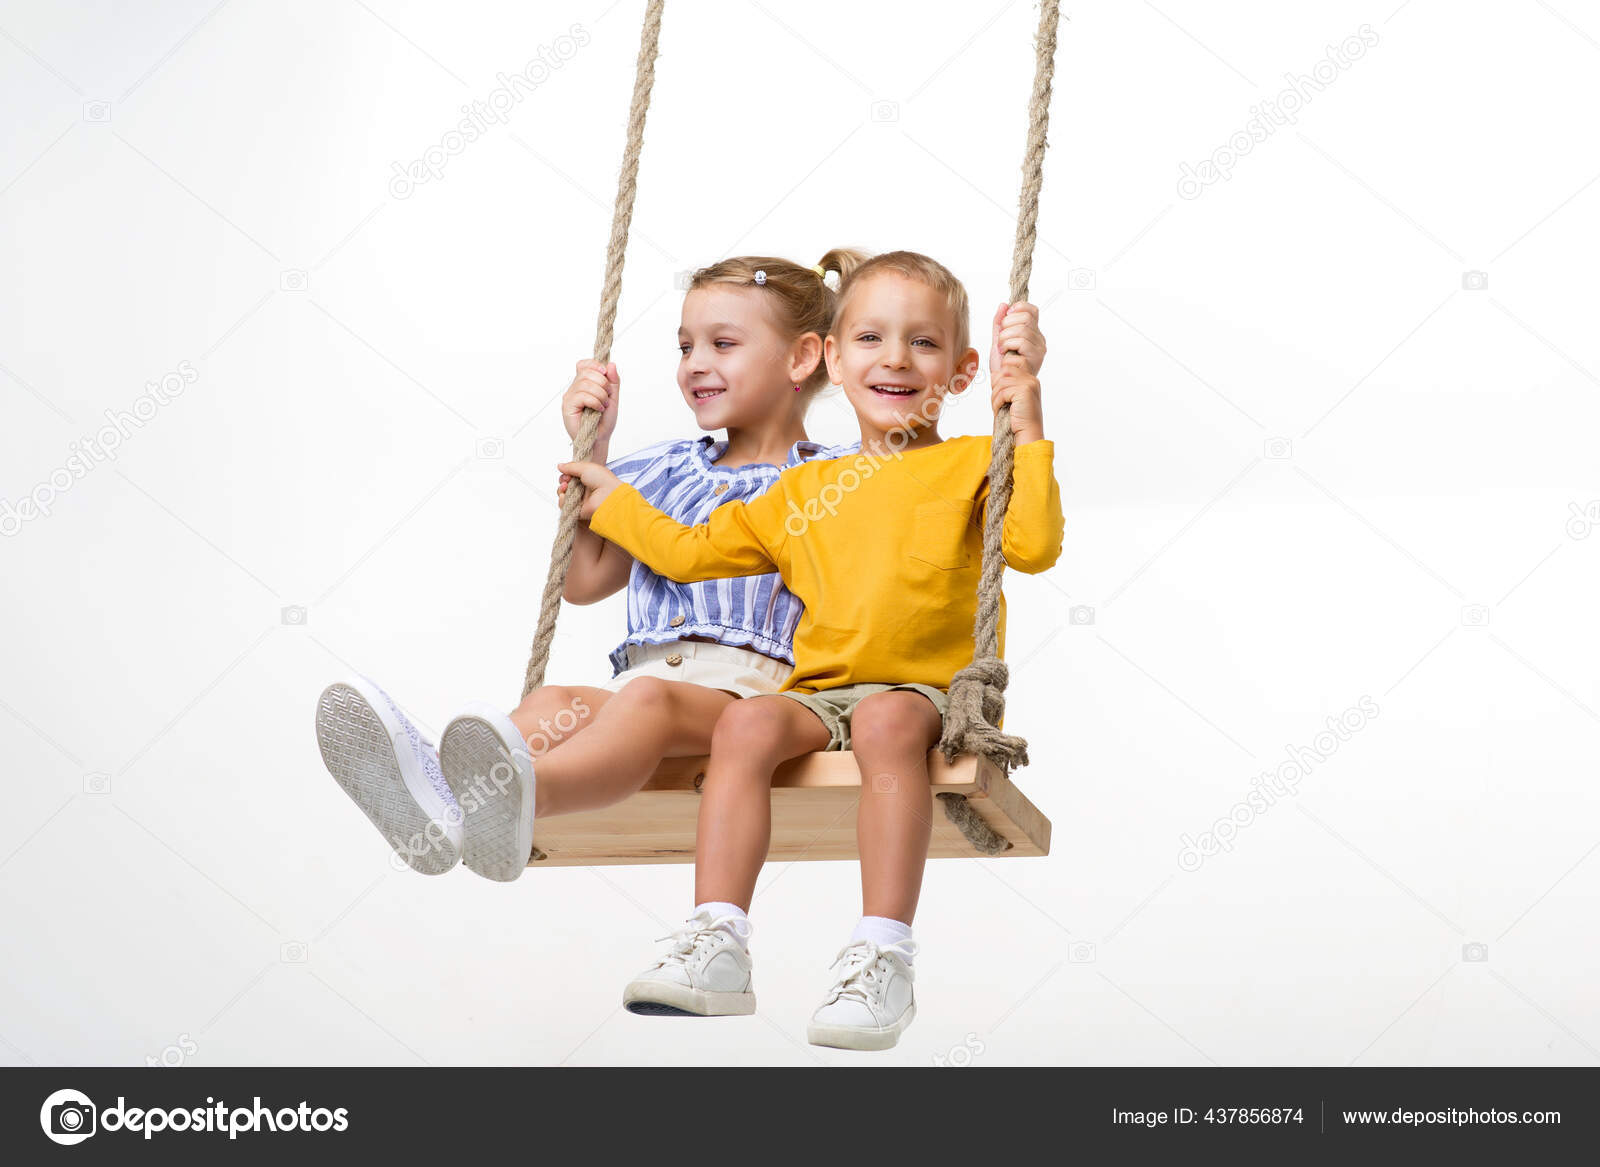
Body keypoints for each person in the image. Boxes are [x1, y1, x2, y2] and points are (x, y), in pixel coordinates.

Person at [559, 250, 1062, 1048]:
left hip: (925, 693)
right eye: (869, 337)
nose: (895, 359)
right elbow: (687, 553)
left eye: (924, 345)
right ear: (832, 355)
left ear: (965, 372)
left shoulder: (972, 461)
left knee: (887, 725)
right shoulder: (798, 492)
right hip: (821, 694)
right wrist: (614, 497)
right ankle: (717, 941)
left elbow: (1031, 545)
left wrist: (1024, 416)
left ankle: (883, 953)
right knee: (748, 724)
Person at [314, 253, 861, 881]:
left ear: (801, 358)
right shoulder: (663, 471)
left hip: (757, 701)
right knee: (556, 700)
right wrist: (594, 451)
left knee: (648, 704)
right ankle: (445, 798)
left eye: (723, 344)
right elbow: (584, 583)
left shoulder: (833, 480)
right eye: (686, 347)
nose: (696, 364)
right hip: (645, 683)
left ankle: (518, 798)